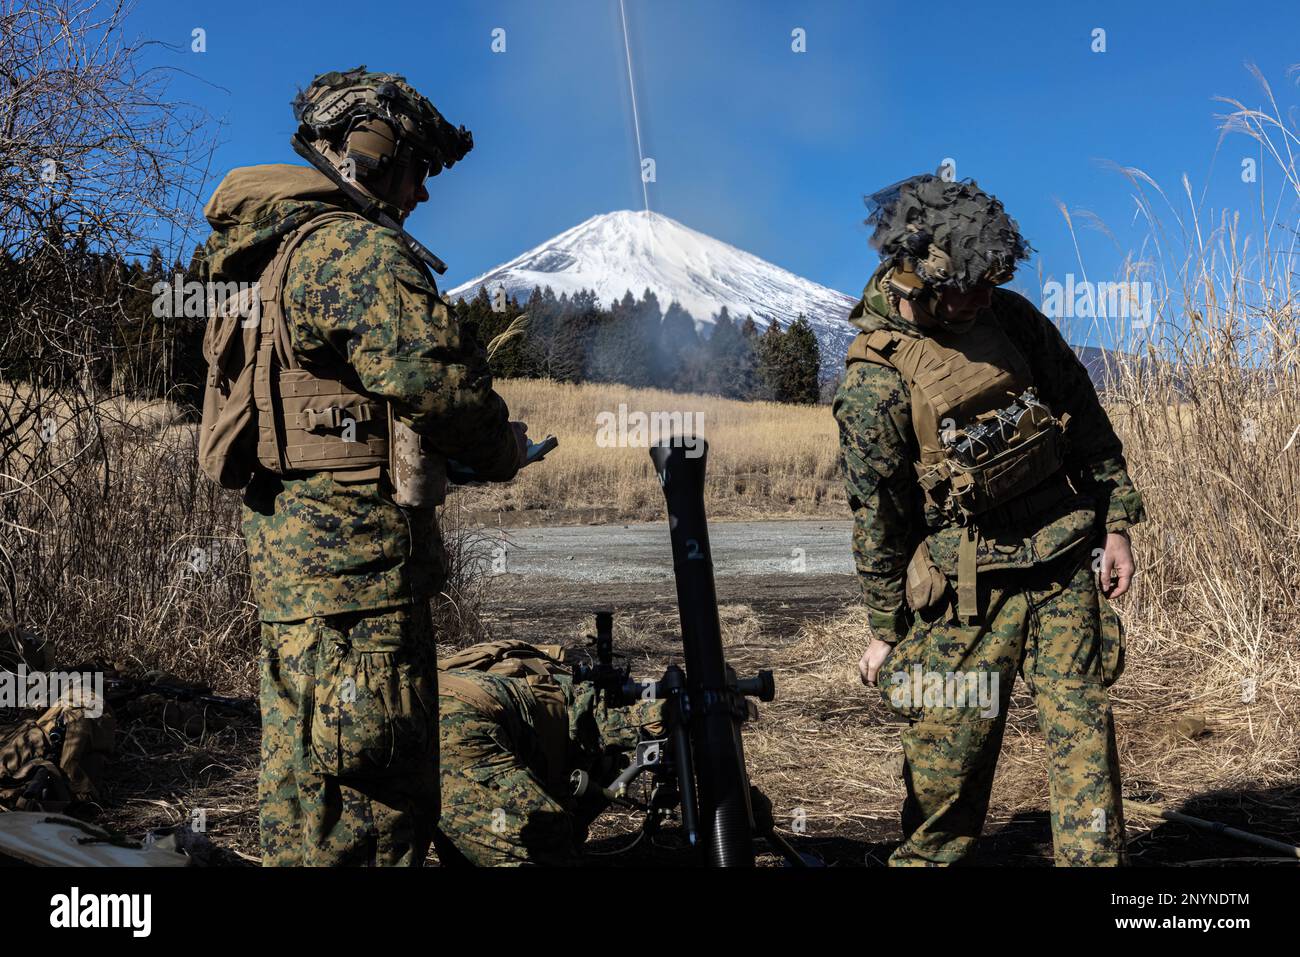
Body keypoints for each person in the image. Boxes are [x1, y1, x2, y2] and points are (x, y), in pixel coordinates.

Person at [201, 66, 527, 866]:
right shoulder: (354, 251)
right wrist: (502, 446)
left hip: (299, 587)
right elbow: (437, 380)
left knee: (307, 808)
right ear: (371, 151)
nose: (420, 193)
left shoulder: (274, 253)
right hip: (360, 594)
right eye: (416, 167)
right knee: (374, 817)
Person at [833, 174, 1145, 866]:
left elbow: (1081, 412)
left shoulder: (1009, 318)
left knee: (1086, 760)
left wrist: (1114, 522)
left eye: (990, 280)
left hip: (1064, 566)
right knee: (946, 789)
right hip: (969, 596)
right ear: (914, 274)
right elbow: (877, 521)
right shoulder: (874, 381)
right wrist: (887, 631)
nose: (982, 297)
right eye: (966, 286)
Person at [433, 640, 663, 866]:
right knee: (544, 840)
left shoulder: (509, 672)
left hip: (419, 711)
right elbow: (637, 718)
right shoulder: (575, 695)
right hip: (458, 727)